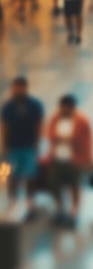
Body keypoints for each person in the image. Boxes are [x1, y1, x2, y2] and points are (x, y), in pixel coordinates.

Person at [45, 94, 93, 228]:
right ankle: (61, 208)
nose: (63, 110)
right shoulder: (55, 119)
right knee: (54, 184)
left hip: (76, 161)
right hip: (57, 160)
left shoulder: (82, 121)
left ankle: (74, 213)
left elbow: (88, 142)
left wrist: (90, 161)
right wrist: (62, 139)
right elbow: (49, 134)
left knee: (75, 187)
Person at [1, 77, 44, 220]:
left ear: (25, 88)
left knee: (30, 174)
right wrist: (3, 145)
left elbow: (39, 125)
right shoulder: (8, 106)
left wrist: (37, 143)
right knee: (10, 175)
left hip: (29, 146)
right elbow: (4, 127)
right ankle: (13, 200)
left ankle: (30, 201)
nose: (17, 90)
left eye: (20, 87)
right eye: (15, 87)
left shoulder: (35, 105)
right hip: (12, 147)